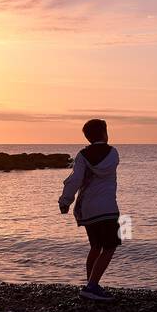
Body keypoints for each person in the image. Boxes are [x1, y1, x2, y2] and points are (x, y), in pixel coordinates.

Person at [58, 118, 121, 301]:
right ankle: (92, 286)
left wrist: (65, 201)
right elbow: (106, 166)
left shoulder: (82, 155)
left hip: (87, 209)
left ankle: (90, 284)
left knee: (95, 246)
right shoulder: (113, 153)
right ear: (104, 133)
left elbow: (74, 180)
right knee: (109, 247)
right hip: (107, 208)